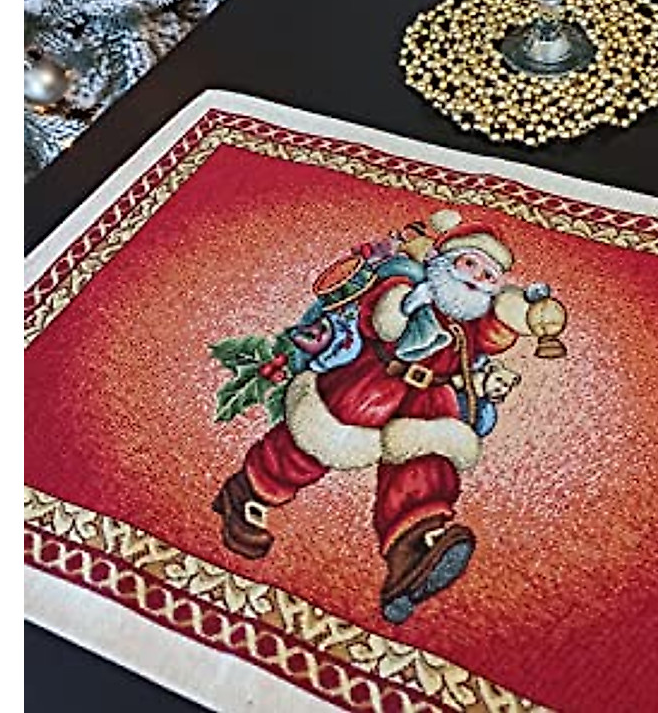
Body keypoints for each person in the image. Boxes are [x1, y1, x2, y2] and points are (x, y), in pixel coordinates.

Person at [212, 213, 556, 623]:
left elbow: (497, 331)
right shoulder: (408, 280)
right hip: (376, 377)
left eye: (487, 276)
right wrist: (408, 304)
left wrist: (525, 313)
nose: (475, 279)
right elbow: (381, 320)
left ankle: (414, 547)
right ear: (445, 261)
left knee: (427, 462)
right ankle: (249, 492)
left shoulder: (470, 322)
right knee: (321, 436)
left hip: (431, 395)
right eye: (469, 264)